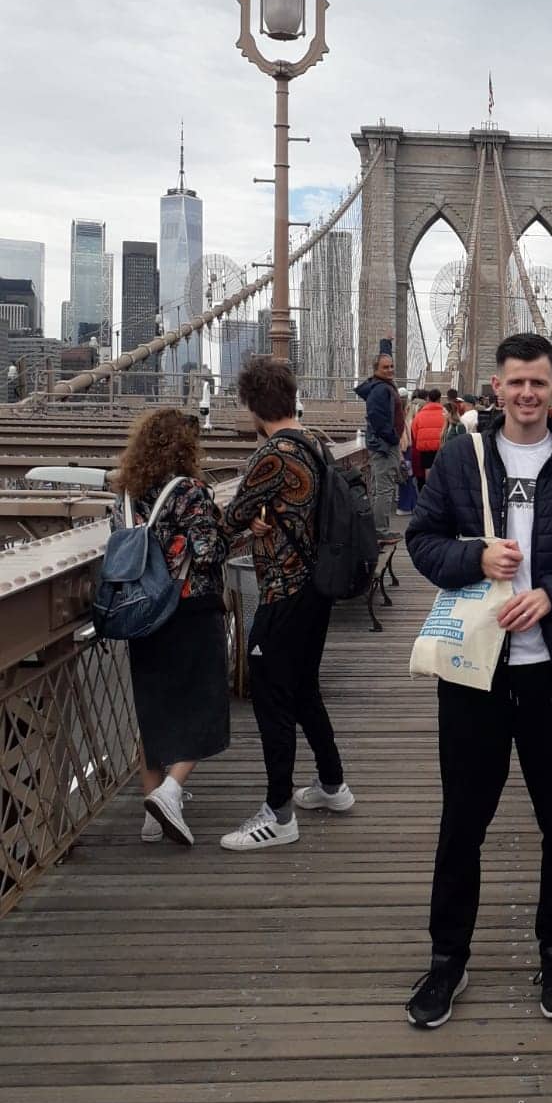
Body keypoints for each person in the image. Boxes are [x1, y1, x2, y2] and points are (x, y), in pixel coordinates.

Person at [404, 333, 552, 1028]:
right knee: (461, 822)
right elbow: (422, 541)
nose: (527, 394)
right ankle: (448, 960)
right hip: (475, 674)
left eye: (539, 382)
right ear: (494, 388)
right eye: (515, 383)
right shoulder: (462, 462)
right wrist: (475, 557)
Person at [221, 356, 355, 852]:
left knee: (271, 694)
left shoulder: (271, 454)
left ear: (253, 407)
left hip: (283, 592)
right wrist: (268, 518)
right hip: (317, 589)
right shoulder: (316, 442)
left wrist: (250, 520)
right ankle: (332, 784)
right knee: (302, 689)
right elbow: (298, 510)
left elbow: (231, 516)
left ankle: (279, 813)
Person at [110, 408, 229, 847]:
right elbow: (208, 552)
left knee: (154, 708)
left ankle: (150, 810)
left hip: (141, 612)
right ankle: (172, 790)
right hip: (190, 609)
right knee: (205, 702)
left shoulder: (125, 492)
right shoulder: (191, 491)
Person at [354, 351, 402, 537]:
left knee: (379, 488)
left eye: (391, 366)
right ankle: (380, 531)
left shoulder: (381, 386)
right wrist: (393, 438)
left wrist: (386, 343)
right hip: (384, 447)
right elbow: (376, 417)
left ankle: (375, 530)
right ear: (376, 370)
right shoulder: (381, 389)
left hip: (381, 445)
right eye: (385, 367)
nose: (390, 370)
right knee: (384, 489)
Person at [411, 386, 448, 489]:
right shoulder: (445, 413)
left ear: (428, 399)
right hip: (441, 446)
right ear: (439, 399)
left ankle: (428, 490)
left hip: (425, 447)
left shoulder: (420, 415)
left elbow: (414, 431)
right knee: (440, 470)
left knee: (427, 468)